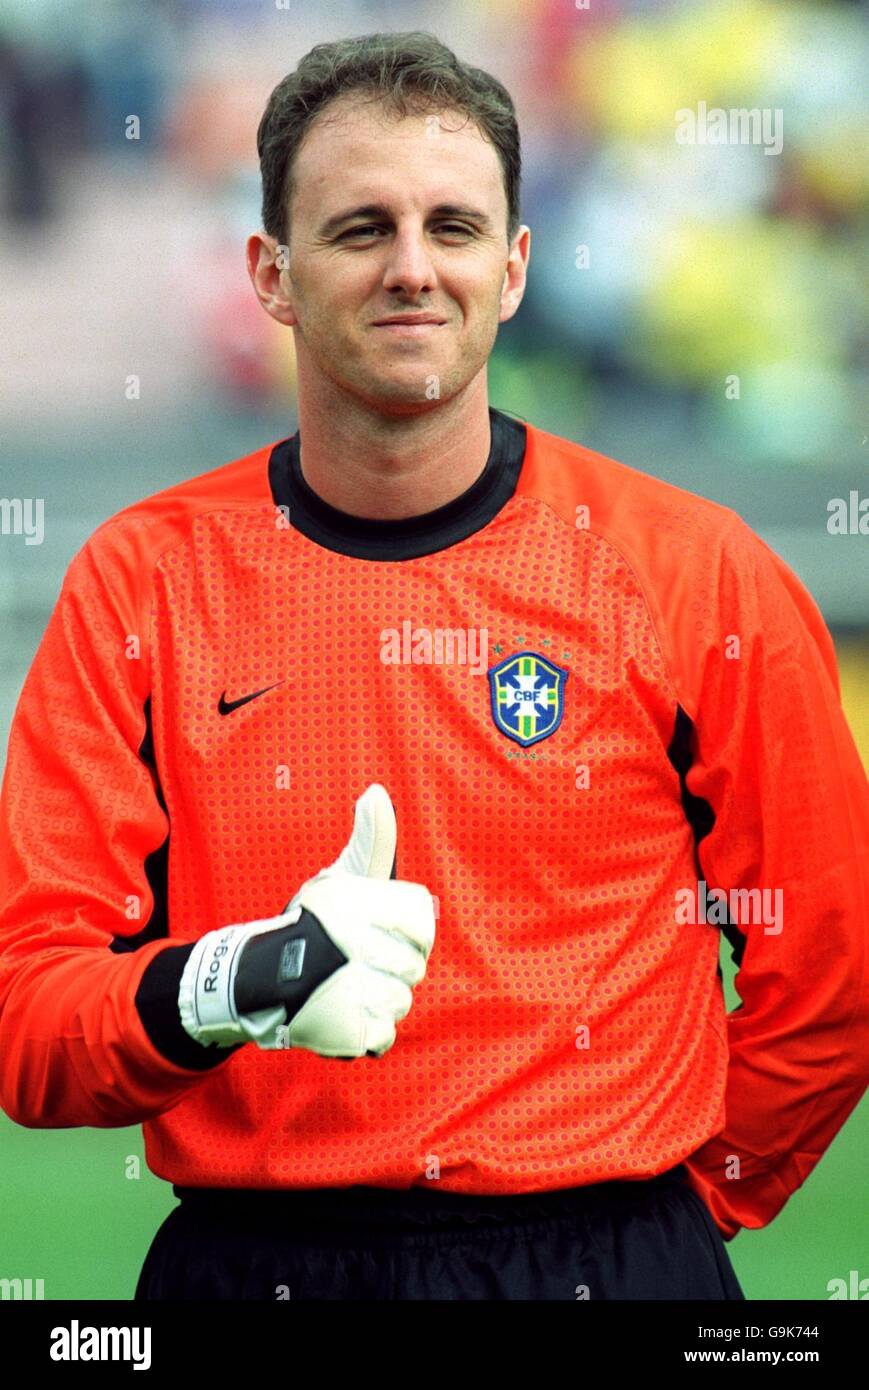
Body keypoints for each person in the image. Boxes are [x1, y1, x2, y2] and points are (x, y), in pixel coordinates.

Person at [0, 30, 866, 1303]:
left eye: (453, 226)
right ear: (271, 273)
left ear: (512, 270)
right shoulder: (144, 580)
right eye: (359, 229)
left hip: (608, 1258)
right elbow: (29, 1018)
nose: (413, 269)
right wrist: (237, 983)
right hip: (254, 1266)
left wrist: (686, 1216)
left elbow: (829, 969)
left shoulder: (693, 570)